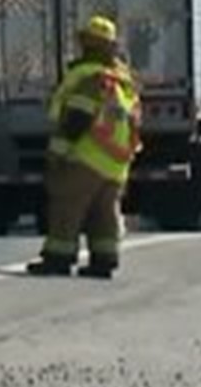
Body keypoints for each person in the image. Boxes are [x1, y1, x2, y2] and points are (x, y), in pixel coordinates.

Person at [27, 14, 143, 280]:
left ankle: (59, 257)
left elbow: (77, 118)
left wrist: (57, 153)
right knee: (105, 213)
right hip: (115, 163)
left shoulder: (88, 77)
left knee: (67, 206)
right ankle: (104, 259)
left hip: (85, 157)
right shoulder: (123, 81)